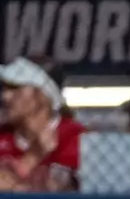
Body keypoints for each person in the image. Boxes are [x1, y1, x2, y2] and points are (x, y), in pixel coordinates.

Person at [0, 56, 85, 191]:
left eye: (15, 87)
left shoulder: (75, 136)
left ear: (44, 95)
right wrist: (33, 156)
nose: (5, 97)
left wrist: (12, 182)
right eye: (4, 88)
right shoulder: (2, 135)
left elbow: (57, 190)